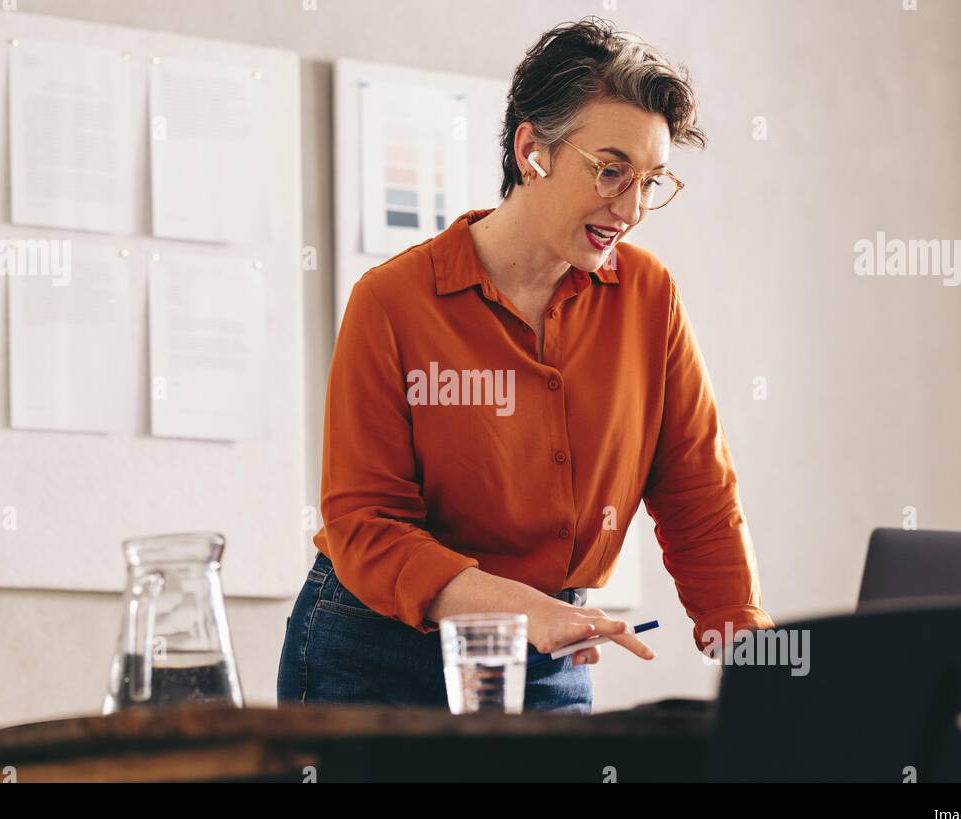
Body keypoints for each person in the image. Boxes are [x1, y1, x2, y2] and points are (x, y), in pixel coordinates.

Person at [278, 16, 773, 714]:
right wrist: (519, 607)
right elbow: (366, 524)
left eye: (652, 181)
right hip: (374, 649)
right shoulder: (391, 303)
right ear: (532, 150)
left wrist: (758, 663)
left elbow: (699, 496)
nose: (630, 209)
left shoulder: (649, 297)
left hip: (545, 649)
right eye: (610, 170)